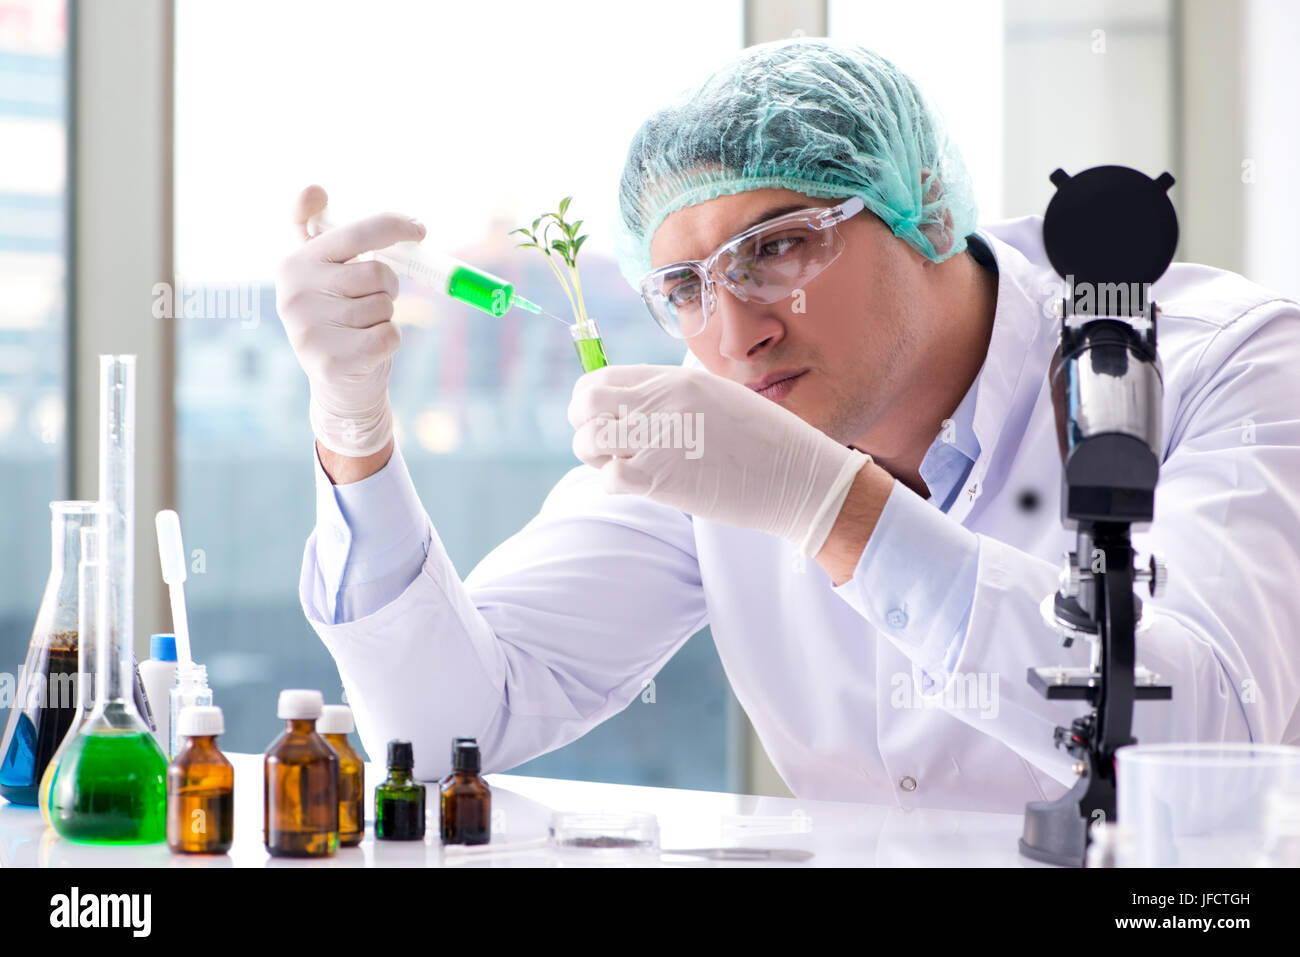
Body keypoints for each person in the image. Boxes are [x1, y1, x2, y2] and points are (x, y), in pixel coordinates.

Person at [274, 37, 1300, 813]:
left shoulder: (1227, 363)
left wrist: (833, 509)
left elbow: (1203, 742)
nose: (733, 332)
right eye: (682, 285)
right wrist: (354, 431)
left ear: (923, 209)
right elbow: (451, 723)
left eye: (776, 249)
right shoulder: (721, 422)